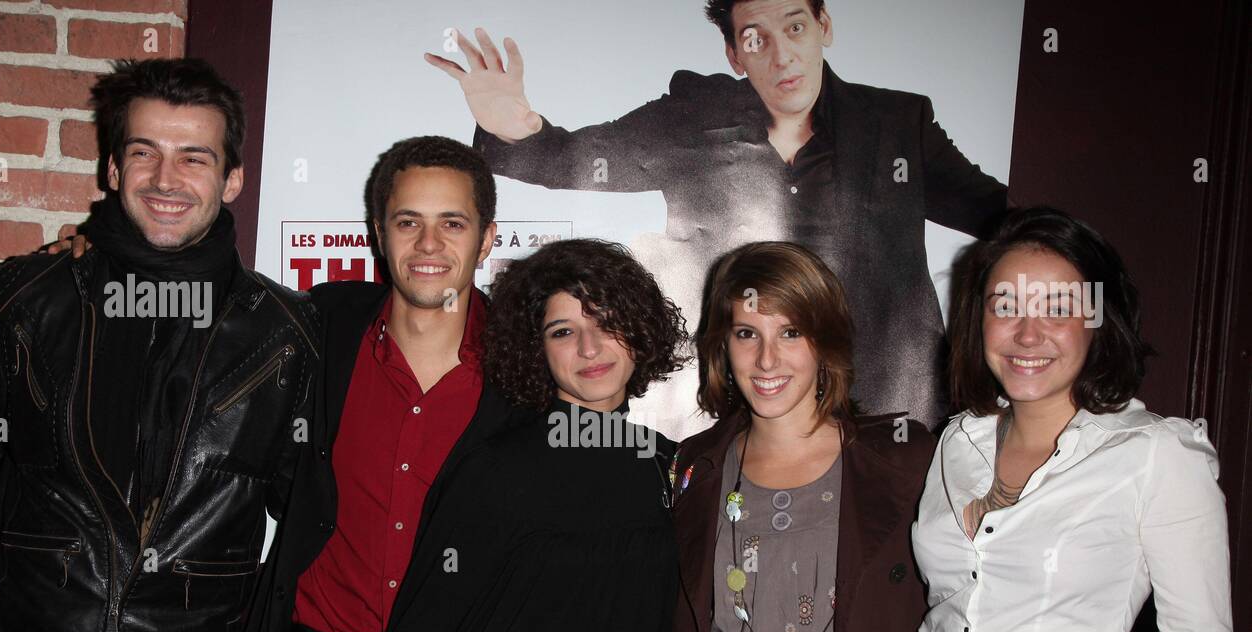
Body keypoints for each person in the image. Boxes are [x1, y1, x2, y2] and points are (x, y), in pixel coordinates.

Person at [644, 240, 1139, 632]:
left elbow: (993, 575)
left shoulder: (908, 462)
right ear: (723, 345)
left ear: (825, 340)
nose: (767, 357)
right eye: (747, 332)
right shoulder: (698, 467)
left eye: (791, 331)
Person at [0, 58, 320, 632]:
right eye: (145, 152)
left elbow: (303, 514)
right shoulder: (25, 294)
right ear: (113, 167)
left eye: (195, 157)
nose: (166, 178)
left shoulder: (283, 335)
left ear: (231, 180)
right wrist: (22, 588)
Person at [242, 238, 684, 632]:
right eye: (563, 331)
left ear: (638, 334)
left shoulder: (670, 470)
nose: (589, 349)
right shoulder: (495, 469)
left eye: (607, 324)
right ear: (536, 351)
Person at [426, 0, 1008, 432]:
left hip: (890, 412)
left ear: (824, 27)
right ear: (733, 53)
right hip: (739, 412)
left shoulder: (898, 122)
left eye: (796, 27)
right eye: (755, 39)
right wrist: (513, 123)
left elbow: (1002, 218)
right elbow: (575, 159)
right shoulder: (694, 118)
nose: (781, 55)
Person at [896, 207, 1240, 632]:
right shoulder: (958, 441)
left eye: (1057, 306)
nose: (1028, 333)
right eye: (1006, 305)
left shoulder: (1156, 454)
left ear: (1097, 320)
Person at [240, 136, 512, 632]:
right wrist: (103, 255)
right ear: (378, 233)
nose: (429, 242)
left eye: (453, 222)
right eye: (407, 221)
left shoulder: (528, 370)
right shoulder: (319, 330)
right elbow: (208, 303)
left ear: (487, 240)